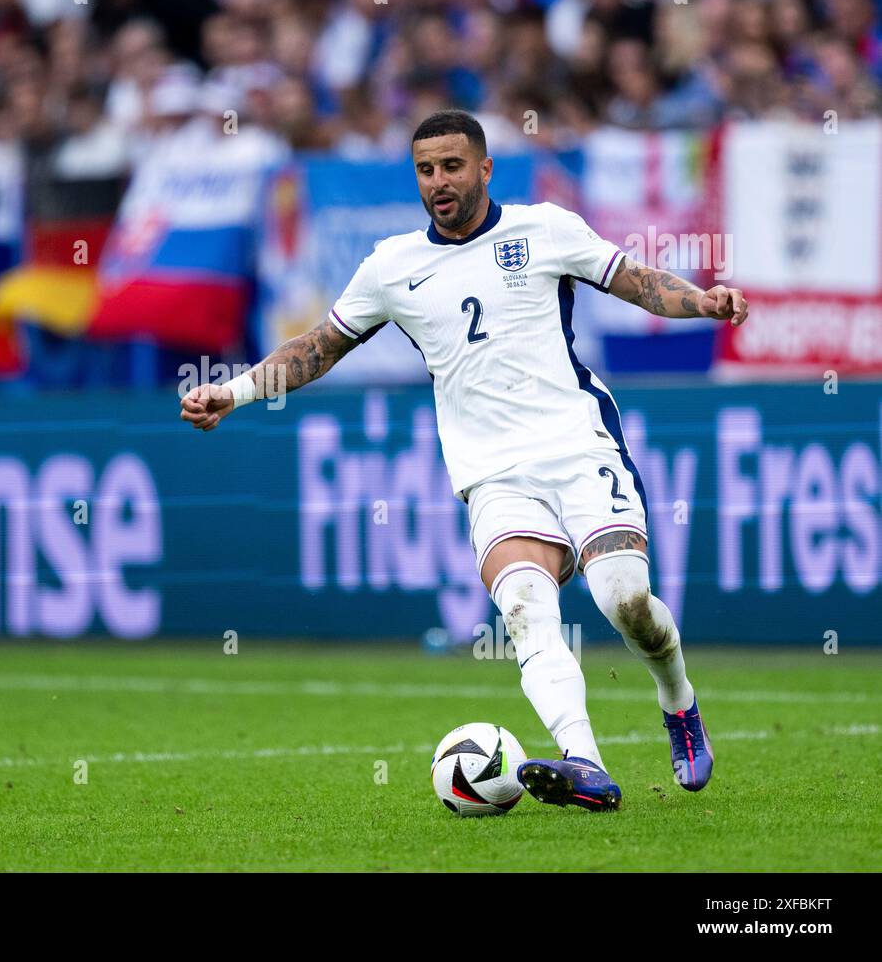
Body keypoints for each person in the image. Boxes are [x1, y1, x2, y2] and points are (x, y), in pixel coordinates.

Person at [179, 108, 750, 812]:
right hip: (491, 472)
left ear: (484, 167)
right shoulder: (392, 267)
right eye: (425, 170)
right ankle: (586, 763)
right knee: (526, 607)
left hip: (577, 444)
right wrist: (232, 392)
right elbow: (316, 348)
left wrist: (706, 302)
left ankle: (678, 699)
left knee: (625, 601)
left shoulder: (544, 228)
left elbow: (635, 281)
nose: (439, 182)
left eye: (452, 166)